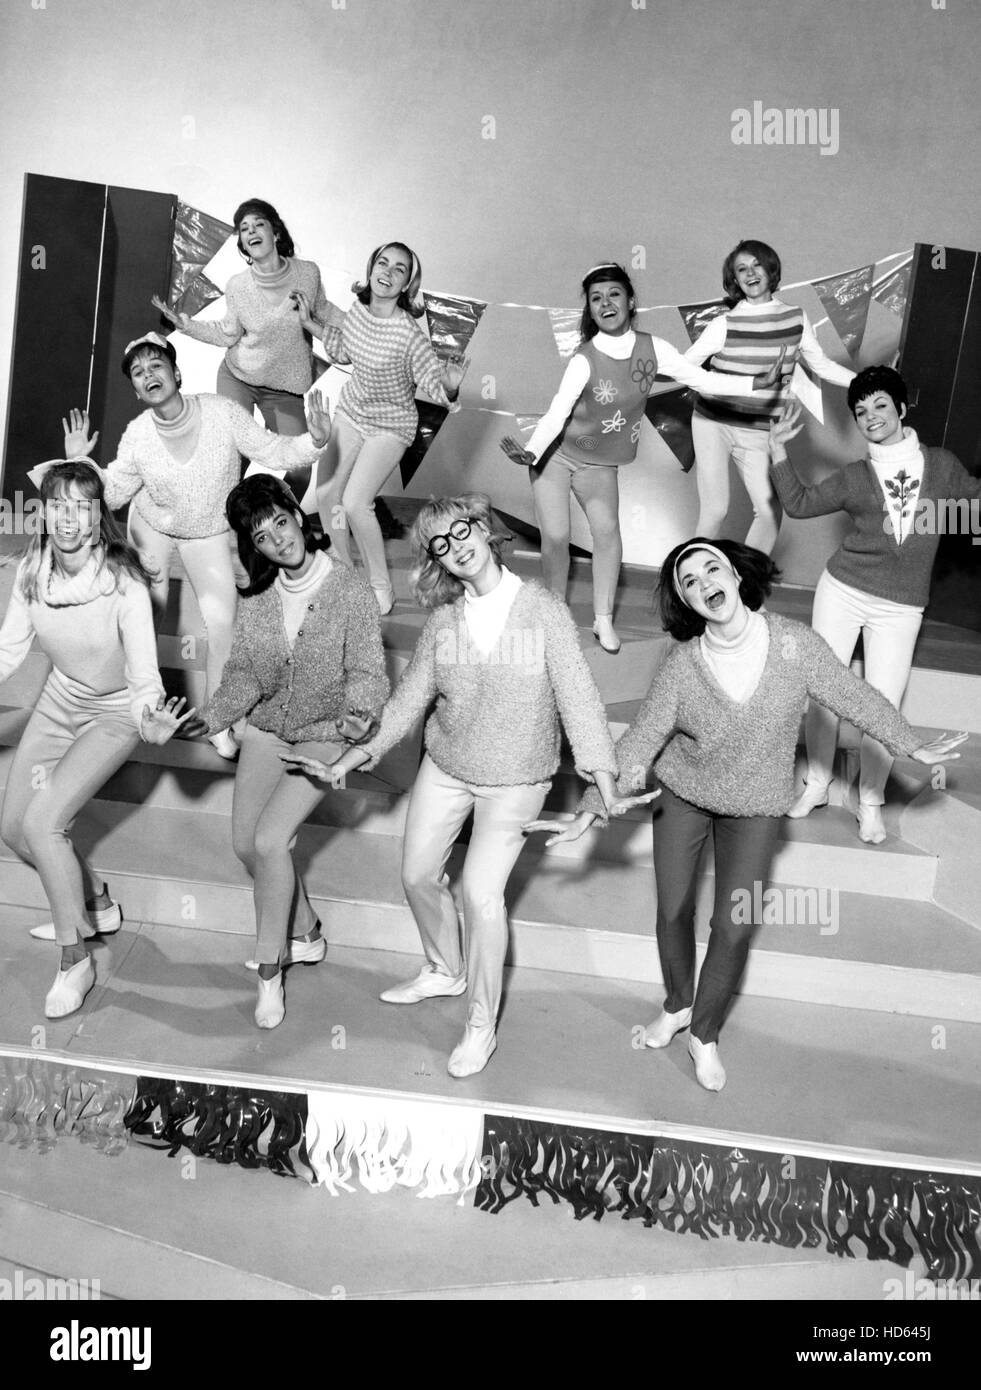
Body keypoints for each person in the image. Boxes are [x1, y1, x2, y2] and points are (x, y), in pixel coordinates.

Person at [527, 537, 965, 1091]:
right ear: (685, 601)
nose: (705, 583)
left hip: (756, 807)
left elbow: (853, 696)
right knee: (671, 909)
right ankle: (678, 1003)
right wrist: (594, 804)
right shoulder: (683, 665)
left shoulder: (794, 646)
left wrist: (908, 743)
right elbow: (641, 739)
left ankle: (703, 1034)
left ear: (735, 575)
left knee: (733, 928)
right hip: (684, 794)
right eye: (689, 581)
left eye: (713, 569)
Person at [282, 493, 619, 1077]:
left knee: (482, 897)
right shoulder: (444, 621)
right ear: (437, 560)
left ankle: (481, 1023)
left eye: (461, 530)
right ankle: (444, 967)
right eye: (439, 543)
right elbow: (409, 698)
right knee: (415, 873)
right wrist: (352, 756)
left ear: (486, 530)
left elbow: (579, 696)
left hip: (517, 776)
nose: (455, 546)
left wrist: (603, 775)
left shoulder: (542, 609)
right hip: (448, 764)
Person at [62, 332, 331, 758]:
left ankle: (219, 722)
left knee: (222, 622)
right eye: (138, 372)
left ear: (176, 372)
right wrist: (80, 461)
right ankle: (130, 710)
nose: (149, 375)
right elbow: (111, 494)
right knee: (146, 611)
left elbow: (273, 449)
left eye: (156, 366)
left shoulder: (223, 412)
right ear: (135, 391)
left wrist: (313, 440)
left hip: (207, 530)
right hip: (152, 524)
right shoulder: (138, 435)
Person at [499, 262, 789, 654]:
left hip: (599, 463)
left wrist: (756, 382)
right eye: (596, 298)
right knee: (555, 537)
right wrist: (533, 450)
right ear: (589, 309)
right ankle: (554, 617)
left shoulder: (653, 349)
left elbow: (701, 379)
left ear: (631, 300)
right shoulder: (584, 359)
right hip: (555, 456)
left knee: (607, 536)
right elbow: (557, 412)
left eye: (614, 294)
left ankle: (602, 619)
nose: (606, 303)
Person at [0, 461, 195, 1019]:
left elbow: (142, 673)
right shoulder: (32, 568)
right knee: (14, 828)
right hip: (60, 701)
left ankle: (75, 958)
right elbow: (11, 650)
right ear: (43, 510)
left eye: (80, 505)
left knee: (44, 825)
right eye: (57, 503)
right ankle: (96, 904)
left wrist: (150, 716)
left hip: (113, 714)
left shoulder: (122, 581)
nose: (67, 516)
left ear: (96, 516)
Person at [206, 475, 388, 1030]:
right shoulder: (260, 594)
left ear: (296, 515)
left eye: (280, 524)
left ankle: (269, 970)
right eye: (261, 538)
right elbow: (244, 670)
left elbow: (368, 673)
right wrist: (212, 717)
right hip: (268, 728)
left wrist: (359, 716)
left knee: (270, 839)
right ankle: (305, 932)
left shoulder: (350, 589)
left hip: (323, 731)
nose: (278, 542)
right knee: (245, 844)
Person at [770, 366, 981, 842]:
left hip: (902, 606)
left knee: (882, 704)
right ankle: (818, 783)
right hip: (842, 590)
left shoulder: (943, 467)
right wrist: (777, 451)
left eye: (880, 405)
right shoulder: (854, 476)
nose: (871, 417)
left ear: (902, 409)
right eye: (861, 411)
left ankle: (869, 800)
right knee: (825, 694)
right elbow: (800, 504)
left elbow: (975, 502)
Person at [295, 242, 469, 615]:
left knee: (357, 503)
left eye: (399, 269)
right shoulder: (357, 311)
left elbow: (435, 387)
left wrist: (451, 385)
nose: (388, 273)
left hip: (391, 426)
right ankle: (342, 576)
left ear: (408, 284)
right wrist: (312, 323)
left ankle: (380, 587)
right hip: (352, 412)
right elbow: (343, 350)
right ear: (371, 268)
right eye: (383, 263)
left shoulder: (409, 335)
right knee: (327, 494)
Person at [684, 238, 855, 552]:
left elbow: (824, 366)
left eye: (756, 264)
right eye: (741, 269)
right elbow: (685, 369)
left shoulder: (795, 319)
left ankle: (747, 587)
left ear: (770, 269)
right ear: (734, 280)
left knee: (769, 511)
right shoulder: (724, 324)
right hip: (713, 422)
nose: (750, 273)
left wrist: (867, 382)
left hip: (761, 430)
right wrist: (729, 386)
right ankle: (688, 585)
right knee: (715, 509)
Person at [152, 197, 340, 436]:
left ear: (276, 233)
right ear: (243, 244)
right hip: (239, 378)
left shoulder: (308, 273)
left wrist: (369, 323)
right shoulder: (238, 286)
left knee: (300, 470)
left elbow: (326, 310)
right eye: (244, 228)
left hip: (285, 389)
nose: (251, 230)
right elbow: (227, 333)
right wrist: (186, 325)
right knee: (235, 451)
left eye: (259, 224)